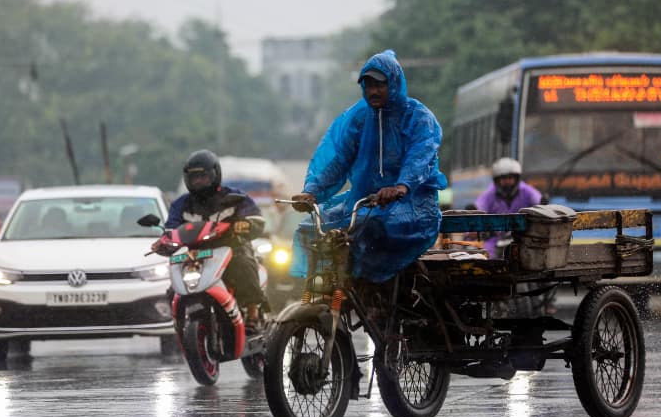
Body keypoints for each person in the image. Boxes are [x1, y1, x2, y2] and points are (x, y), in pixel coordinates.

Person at [289, 49, 448, 284]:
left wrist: (401, 186)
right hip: (364, 202)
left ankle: (386, 293)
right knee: (311, 227)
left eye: (379, 85)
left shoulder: (418, 117)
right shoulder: (360, 118)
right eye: (368, 85)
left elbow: (420, 156)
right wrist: (312, 191)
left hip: (412, 203)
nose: (373, 91)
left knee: (372, 227)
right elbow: (340, 161)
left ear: (394, 83)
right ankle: (338, 292)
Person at [161, 149, 268, 323]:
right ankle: (177, 322)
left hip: (232, 248)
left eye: (203, 176)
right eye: (194, 177)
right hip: (195, 254)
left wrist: (246, 224)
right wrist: (163, 242)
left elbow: (255, 217)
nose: (198, 181)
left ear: (215, 174)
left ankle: (252, 313)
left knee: (243, 265)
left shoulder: (234, 197)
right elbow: (171, 228)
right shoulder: (181, 204)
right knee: (173, 288)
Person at [473, 157, 546, 258]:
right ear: (497, 180)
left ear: (516, 179)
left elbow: (539, 202)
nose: (507, 181)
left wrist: (543, 202)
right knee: (486, 256)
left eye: (510, 178)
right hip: (495, 238)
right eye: (504, 178)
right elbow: (479, 208)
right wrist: (474, 210)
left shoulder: (526, 191)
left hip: (522, 237)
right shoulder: (490, 194)